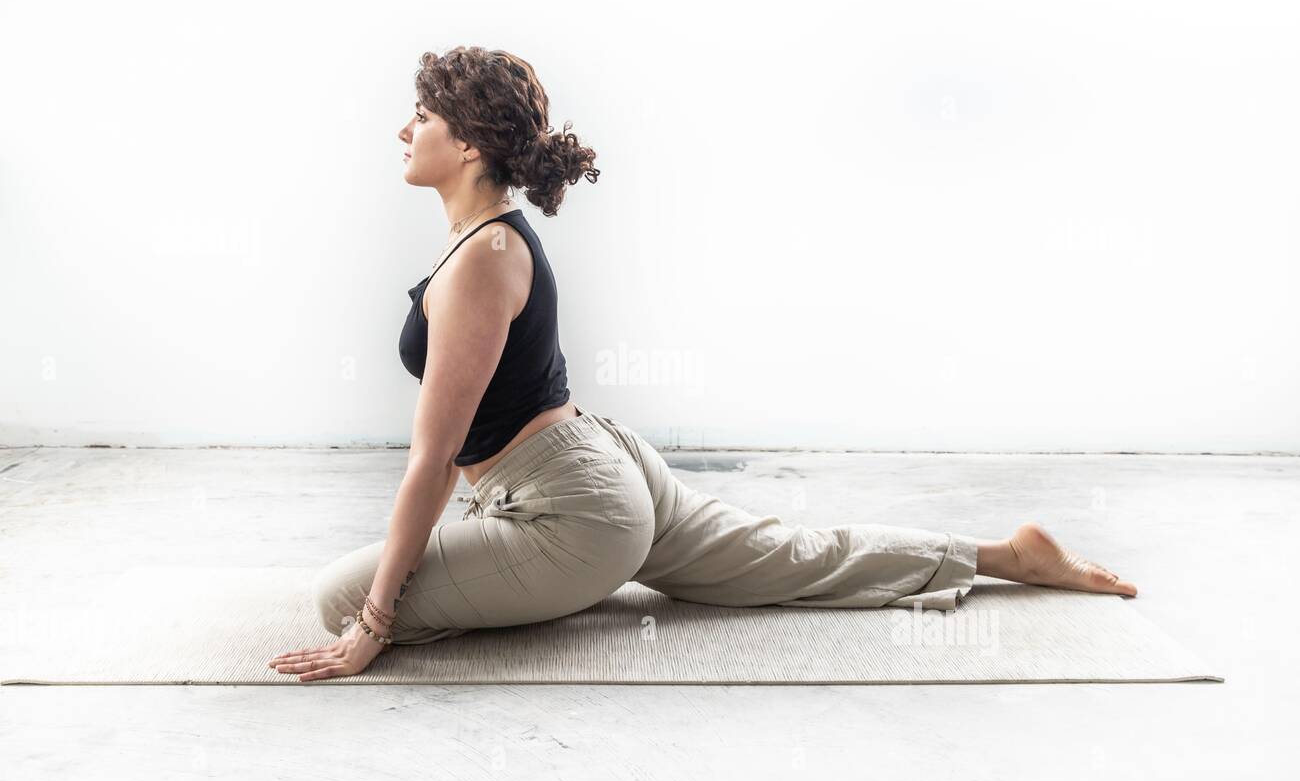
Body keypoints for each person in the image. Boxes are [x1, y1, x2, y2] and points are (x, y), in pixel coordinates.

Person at [269, 46, 1137, 682]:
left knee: (337, 598)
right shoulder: (487, 243)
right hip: (605, 469)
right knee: (791, 556)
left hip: (572, 511)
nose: (402, 129)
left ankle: (532, 585)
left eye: (420, 116)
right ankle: (1004, 556)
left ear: (466, 147)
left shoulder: (482, 261)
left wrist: (374, 623)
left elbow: (431, 458)